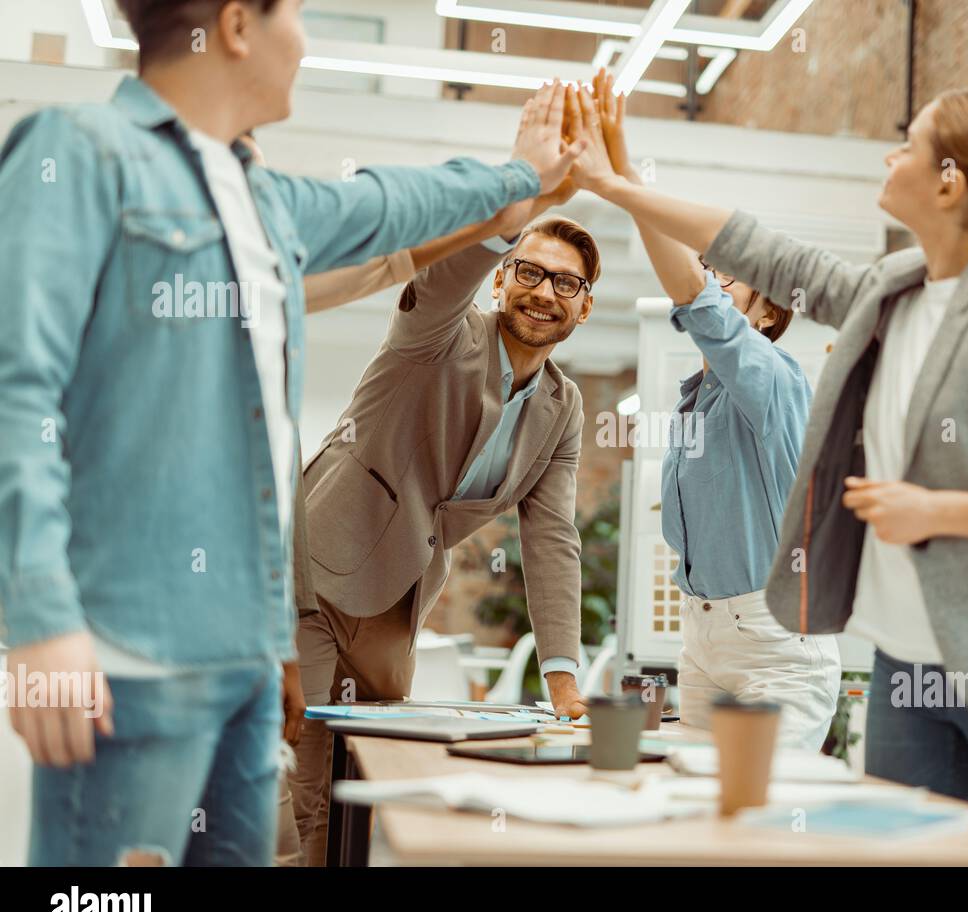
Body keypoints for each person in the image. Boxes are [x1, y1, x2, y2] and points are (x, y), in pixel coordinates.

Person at [0, 0, 579, 866]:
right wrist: (40, 617)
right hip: (131, 652)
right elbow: (16, 393)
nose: (304, 42)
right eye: (298, 15)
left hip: (242, 661)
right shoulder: (78, 152)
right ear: (237, 25)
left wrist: (514, 180)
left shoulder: (257, 201)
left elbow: (386, 204)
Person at [566, 84, 968, 837]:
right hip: (907, 669)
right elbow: (750, 245)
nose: (889, 154)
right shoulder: (889, 293)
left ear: (950, 181)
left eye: (909, 145)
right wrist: (619, 186)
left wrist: (934, 510)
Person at [282, 204, 600, 865]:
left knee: (356, 795)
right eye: (529, 271)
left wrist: (563, 679)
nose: (545, 292)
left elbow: (552, 539)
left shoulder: (561, 407)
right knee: (293, 783)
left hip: (397, 604)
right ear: (499, 278)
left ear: (585, 306)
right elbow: (438, 284)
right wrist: (511, 210)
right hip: (313, 582)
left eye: (566, 282)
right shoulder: (442, 335)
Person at [578, 73, 838, 749]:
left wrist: (625, 182)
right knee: (695, 805)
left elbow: (699, 304)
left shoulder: (772, 377)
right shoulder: (696, 401)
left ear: (768, 312)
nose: (712, 280)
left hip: (775, 646)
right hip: (704, 641)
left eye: (728, 275)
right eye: (710, 267)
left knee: (757, 811)